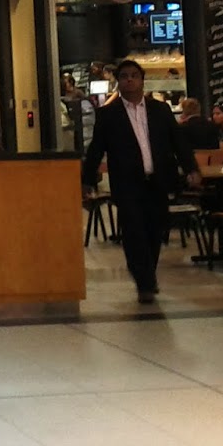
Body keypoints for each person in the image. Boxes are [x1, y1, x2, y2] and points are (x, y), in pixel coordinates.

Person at [81, 59, 199, 303]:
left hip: (157, 180)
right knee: (134, 231)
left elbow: (178, 142)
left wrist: (191, 168)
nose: (129, 80)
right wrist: (87, 180)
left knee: (154, 230)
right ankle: (145, 281)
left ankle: (147, 274)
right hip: (127, 183)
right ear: (118, 81)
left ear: (142, 80)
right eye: (124, 76)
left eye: (134, 75)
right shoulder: (109, 115)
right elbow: (96, 149)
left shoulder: (160, 110)